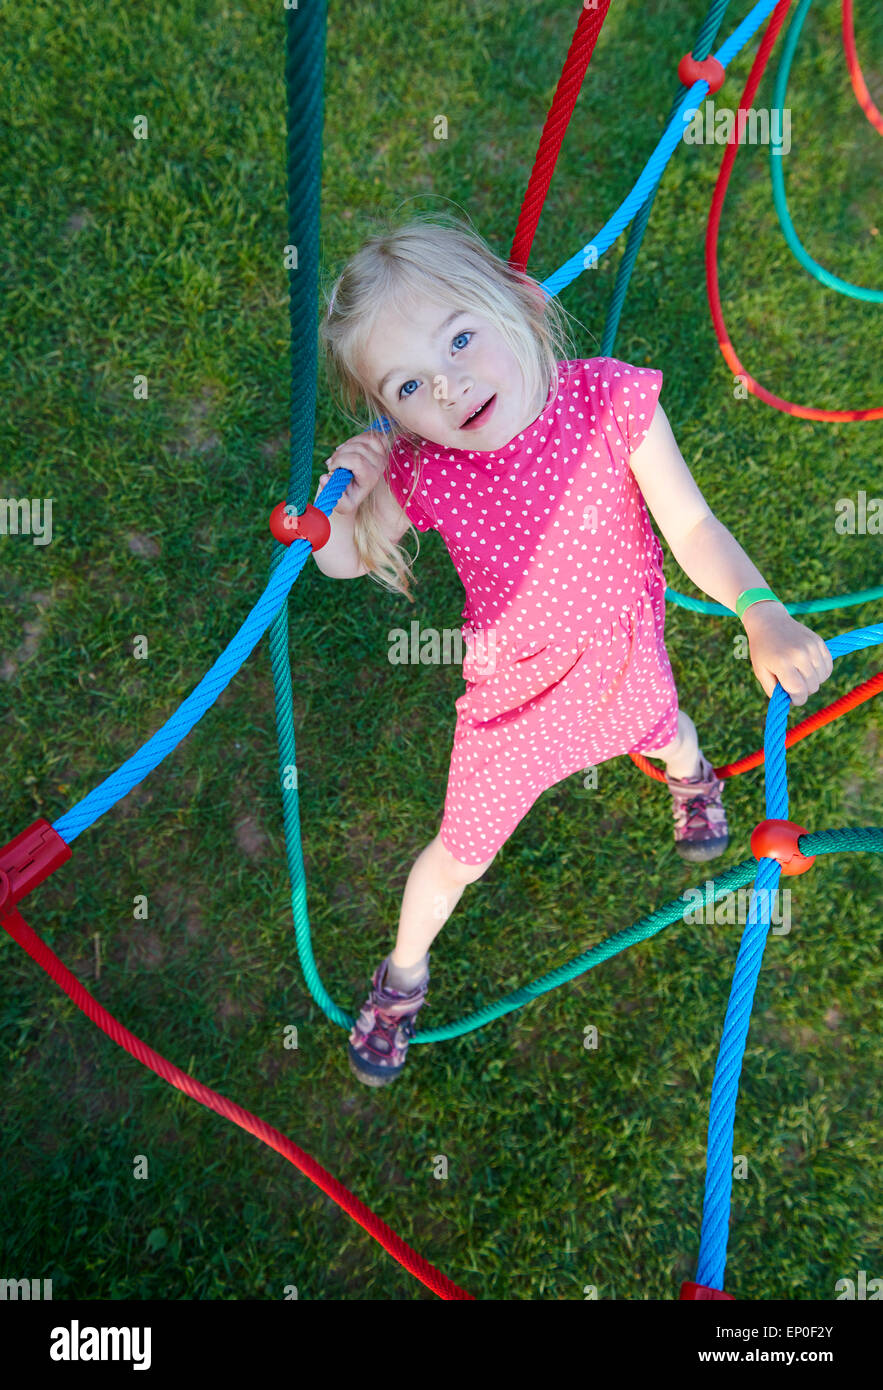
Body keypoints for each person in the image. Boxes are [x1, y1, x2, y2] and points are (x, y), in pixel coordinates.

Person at [315, 213, 834, 1088]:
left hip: (625, 659)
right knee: (457, 855)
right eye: (407, 387)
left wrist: (760, 610)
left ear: (520, 302)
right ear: (389, 415)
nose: (446, 391)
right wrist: (341, 509)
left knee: (667, 726)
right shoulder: (427, 469)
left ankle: (690, 779)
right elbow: (344, 561)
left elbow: (696, 525)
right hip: (513, 710)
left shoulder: (608, 403)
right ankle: (403, 974)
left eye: (461, 340)